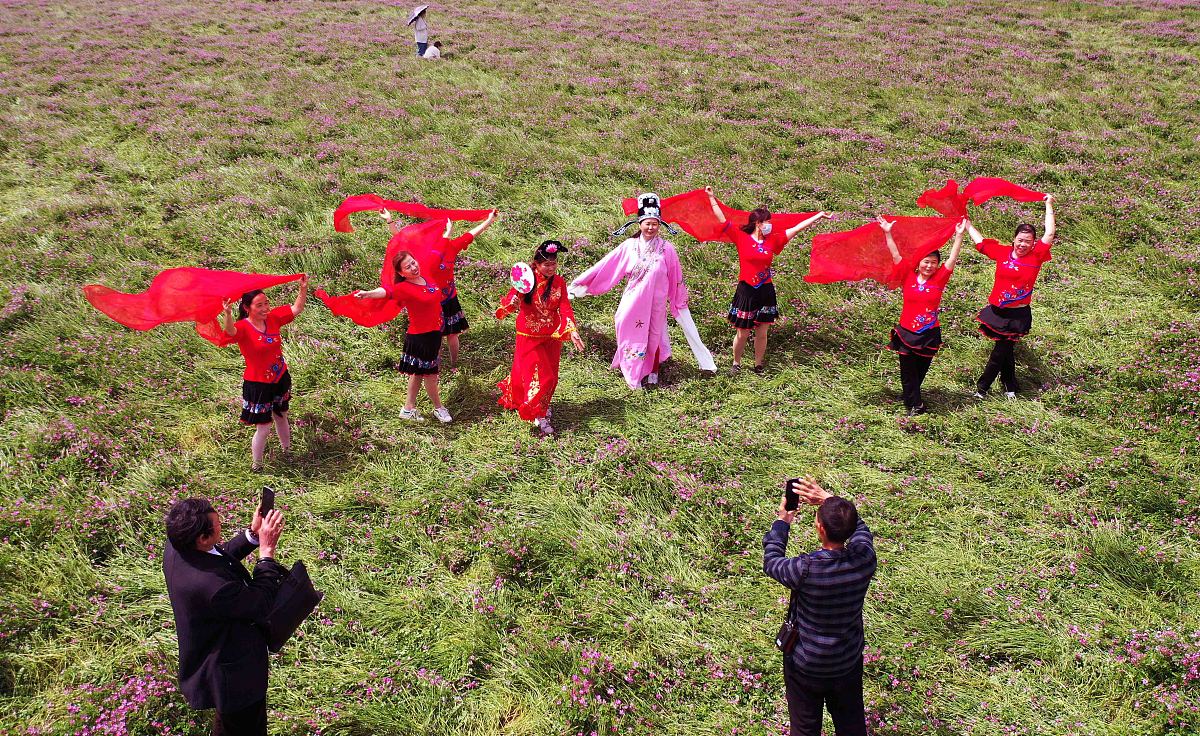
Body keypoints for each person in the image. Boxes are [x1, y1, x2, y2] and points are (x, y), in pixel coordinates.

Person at [163, 497, 287, 736]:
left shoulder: (177, 546)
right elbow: (260, 602)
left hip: (212, 655)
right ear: (202, 538)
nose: (222, 525)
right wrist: (266, 552)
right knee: (246, 727)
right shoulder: (214, 588)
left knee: (230, 725)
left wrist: (252, 534)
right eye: (218, 524)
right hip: (231, 674)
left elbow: (216, 558)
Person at [763, 478, 877, 736]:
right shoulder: (864, 559)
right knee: (851, 726)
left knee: (804, 728)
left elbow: (771, 561)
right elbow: (861, 529)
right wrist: (828, 499)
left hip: (806, 663)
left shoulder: (804, 569)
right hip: (846, 661)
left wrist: (783, 520)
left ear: (820, 528)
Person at [568, 193, 714, 389]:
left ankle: (653, 371)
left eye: (655, 224)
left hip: (656, 303)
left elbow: (676, 278)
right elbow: (605, 266)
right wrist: (582, 283)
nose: (651, 227)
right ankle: (632, 371)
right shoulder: (629, 246)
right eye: (647, 223)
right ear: (639, 224)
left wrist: (677, 300)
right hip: (633, 301)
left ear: (659, 225)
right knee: (626, 327)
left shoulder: (667, 249)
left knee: (654, 336)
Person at [704, 186, 829, 373]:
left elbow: (796, 229)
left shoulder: (774, 240)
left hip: (766, 290)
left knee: (762, 333)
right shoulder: (741, 237)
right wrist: (712, 198)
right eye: (767, 222)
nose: (770, 225)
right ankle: (736, 363)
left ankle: (758, 364)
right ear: (757, 223)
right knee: (743, 332)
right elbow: (723, 219)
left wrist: (818, 216)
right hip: (746, 290)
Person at [969, 194, 1056, 398]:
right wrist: (967, 225)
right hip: (998, 312)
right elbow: (981, 243)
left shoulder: (1037, 256)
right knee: (1005, 351)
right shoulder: (1002, 253)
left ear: (1033, 243)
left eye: (1028, 241)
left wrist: (1048, 205)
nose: (1023, 244)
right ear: (1014, 239)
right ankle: (1011, 387)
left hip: (1018, 316)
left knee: (1000, 351)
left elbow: (1050, 233)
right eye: (1020, 240)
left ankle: (982, 388)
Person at [384, 209, 497, 367]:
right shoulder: (423, 255)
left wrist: (489, 220)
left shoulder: (451, 246)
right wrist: (390, 220)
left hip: (450, 299)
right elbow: (402, 241)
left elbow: (471, 234)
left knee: (452, 335)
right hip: (431, 301)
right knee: (434, 335)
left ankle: (453, 363)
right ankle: (432, 365)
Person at [496, 240, 585, 434]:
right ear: (536, 264)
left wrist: (572, 330)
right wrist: (511, 303)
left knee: (551, 377)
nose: (551, 268)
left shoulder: (559, 282)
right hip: (529, 337)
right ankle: (538, 414)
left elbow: (564, 308)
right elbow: (509, 305)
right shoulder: (526, 280)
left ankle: (538, 405)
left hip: (551, 338)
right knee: (542, 378)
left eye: (554, 263)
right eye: (547, 264)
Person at [880, 216, 967, 414]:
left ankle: (911, 395)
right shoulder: (908, 277)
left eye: (934, 263)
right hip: (906, 332)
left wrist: (959, 236)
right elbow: (895, 255)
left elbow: (952, 258)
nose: (929, 266)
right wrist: (888, 232)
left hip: (929, 333)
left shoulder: (939, 279)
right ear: (919, 263)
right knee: (907, 370)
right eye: (926, 262)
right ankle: (915, 405)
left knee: (921, 370)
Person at [221, 277, 308, 472]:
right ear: (247, 308)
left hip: (280, 377)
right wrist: (227, 313)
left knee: (281, 415)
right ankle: (257, 466)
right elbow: (231, 332)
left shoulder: (274, 318)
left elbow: (296, 309)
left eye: (266, 303)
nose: (265, 308)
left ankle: (287, 452)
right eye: (259, 305)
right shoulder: (243, 327)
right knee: (264, 427)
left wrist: (303, 289)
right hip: (258, 384)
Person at [354, 250, 452, 422]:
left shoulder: (425, 277)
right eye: (408, 267)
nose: (414, 267)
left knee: (418, 373)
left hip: (434, 332)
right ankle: (439, 408)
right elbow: (386, 291)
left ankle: (408, 409)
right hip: (422, 337)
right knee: (430, 375)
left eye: (413, 262)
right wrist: (368, 293)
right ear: (401, 273)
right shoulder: (404, 288)